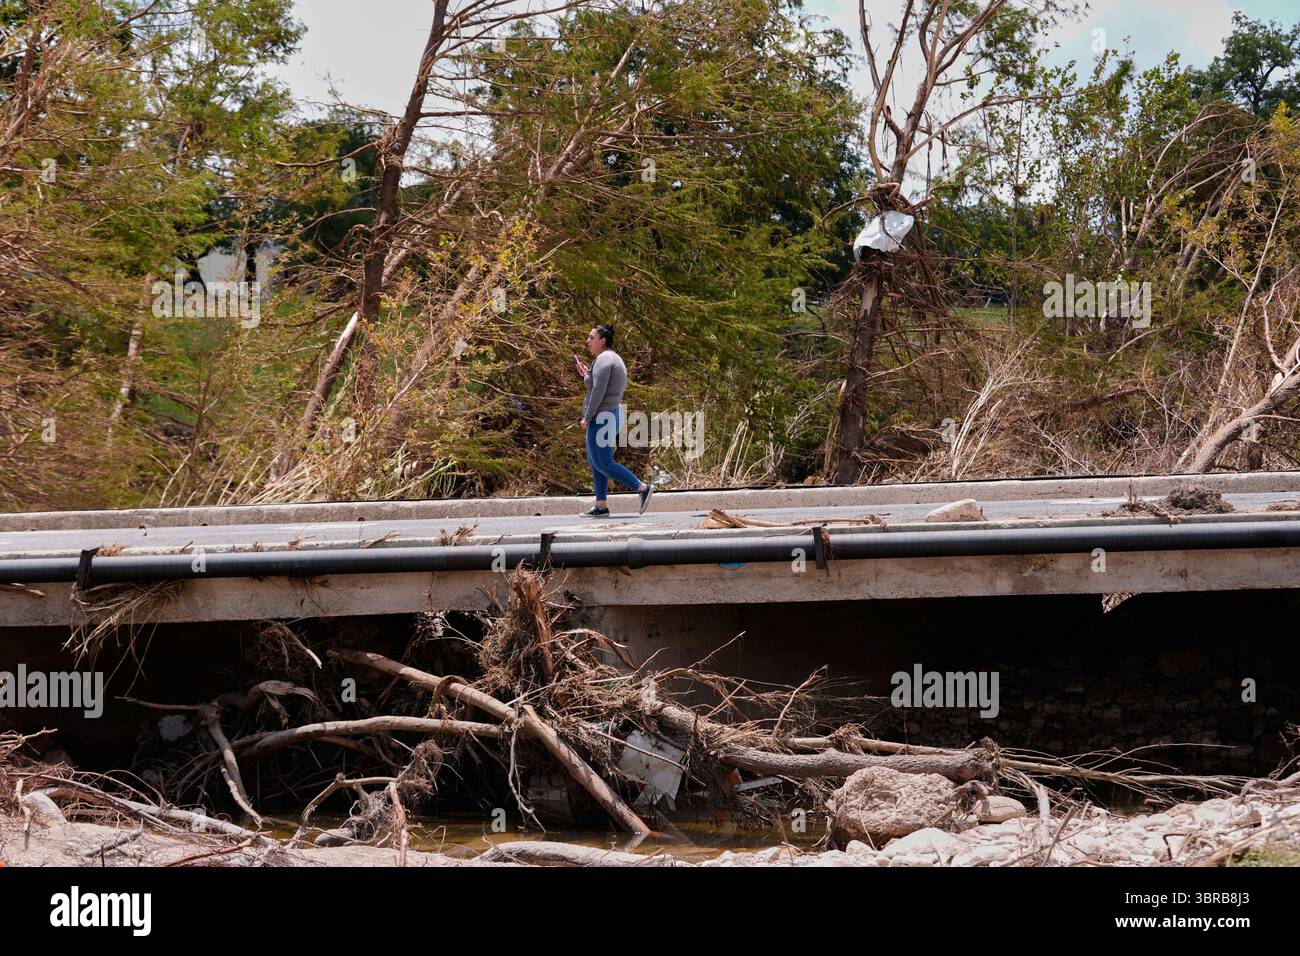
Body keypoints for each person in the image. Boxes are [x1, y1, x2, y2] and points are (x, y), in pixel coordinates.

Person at [575, 324, 653, 516]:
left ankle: (642, 488)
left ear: (603, 341)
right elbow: (599, 385)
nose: (588, 341)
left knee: (603, 462)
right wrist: (586, 375)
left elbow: (598, 391)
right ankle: (601, 506)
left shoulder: (604, 359)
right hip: (608, 416)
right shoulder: (609, 358)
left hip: (602, 417)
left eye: (591, 337)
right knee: (596, 461)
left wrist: (587, 417)